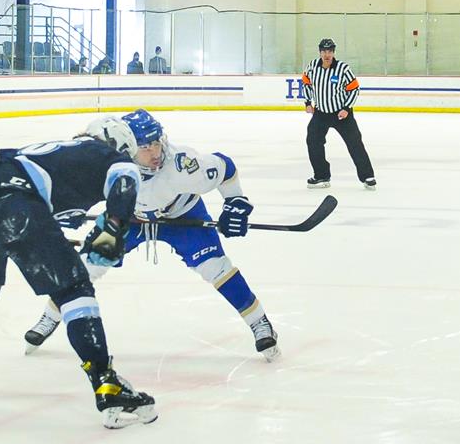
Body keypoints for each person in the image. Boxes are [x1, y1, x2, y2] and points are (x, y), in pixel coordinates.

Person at [0, 132, 155, 427]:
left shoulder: (51, 154)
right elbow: (124, 176)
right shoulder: (104, 154)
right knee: (73, 288)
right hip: (11, 203)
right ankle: (108, 385)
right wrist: (114, 226)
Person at [22, 112, 279, 360]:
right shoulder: (109, 164)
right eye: (145, 147)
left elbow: (225, 167)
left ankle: (260, 322)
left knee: (216, 268)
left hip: (182, 215)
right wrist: (68, 208)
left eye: (157, 142)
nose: (155, 153)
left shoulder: (183, 165)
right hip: (126, 219)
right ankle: (51, 317)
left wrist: (235, 200)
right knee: (86, 268)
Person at [300, 37, 375, 189]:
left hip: (341, 115)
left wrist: (346, 108)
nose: (327, 54)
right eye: (324, 51)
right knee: (313, 141)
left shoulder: (343, 68)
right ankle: (321, 176)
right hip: (321, 113)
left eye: (329, 51)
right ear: (320, 52)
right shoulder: (312, 66)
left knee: (355, 144)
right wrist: (308, 102)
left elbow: (354, 89)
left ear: (333, 52)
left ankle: (368, 176)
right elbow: (306, 83)